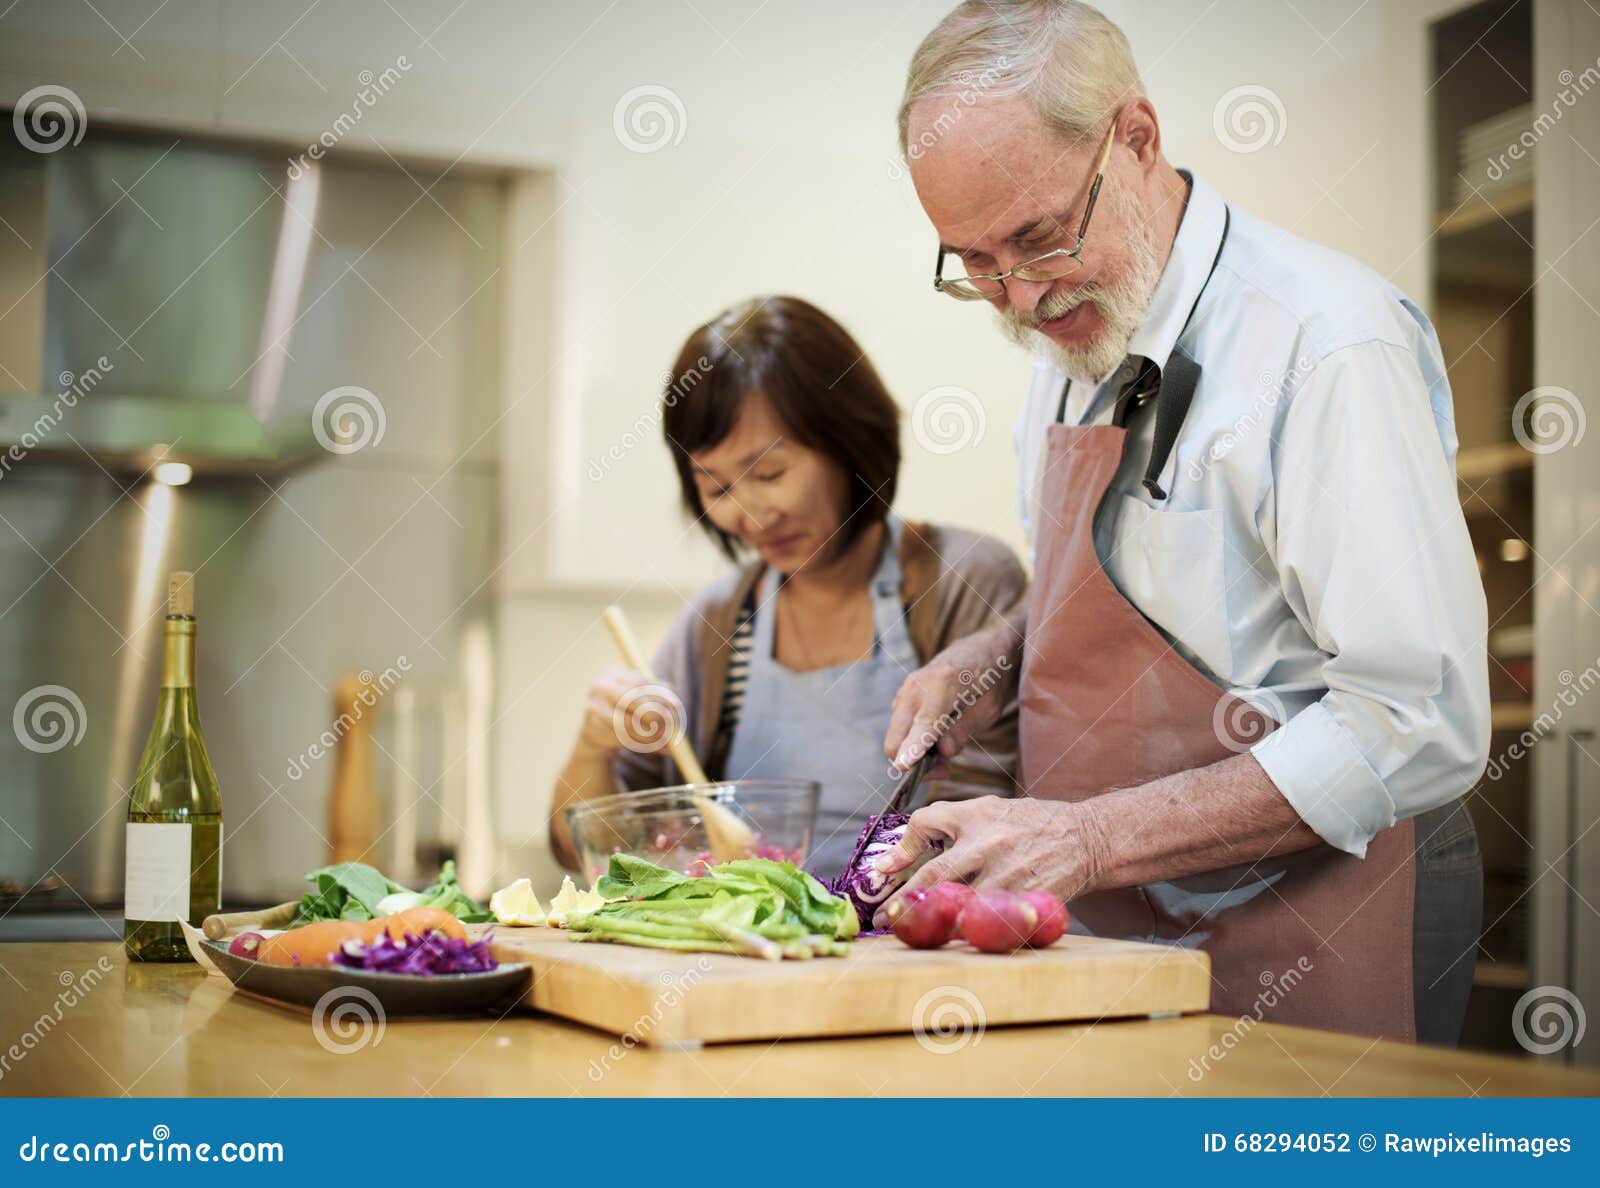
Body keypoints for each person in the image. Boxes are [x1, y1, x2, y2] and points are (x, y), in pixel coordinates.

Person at [879, 0, 1488, 1046]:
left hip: (1330, 902)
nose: (1017, 298)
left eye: (1034, 239)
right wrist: (988, 659)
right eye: (971, 263)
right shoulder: (1064, 339)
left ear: (1136, 138)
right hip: (1128, 908)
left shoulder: (1325, 345)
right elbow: (1113, 593)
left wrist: (1088, 840)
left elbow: (1416, 721)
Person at [550, 295, 1028, 880]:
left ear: (847, 442)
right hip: (755, 957)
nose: (751, 515)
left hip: (917, 949)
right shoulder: (716, 626)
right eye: (717, 489)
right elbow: (598, 849)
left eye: (770, 474)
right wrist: (594, 746)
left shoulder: (964, 578)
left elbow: (983, 829)